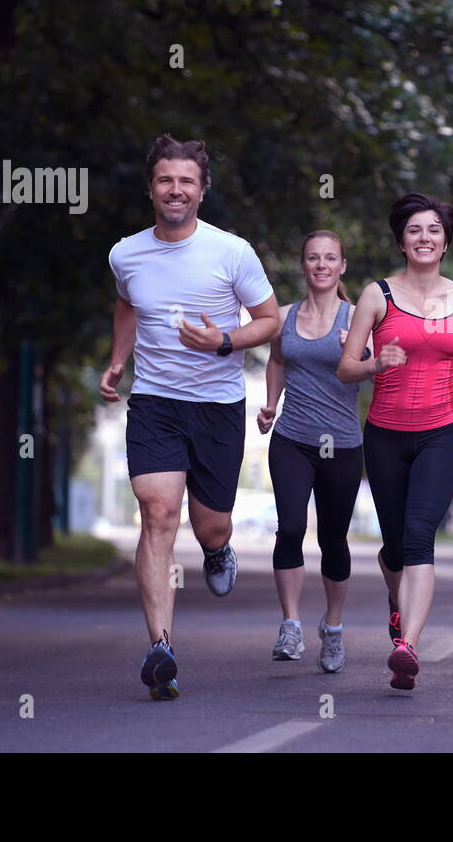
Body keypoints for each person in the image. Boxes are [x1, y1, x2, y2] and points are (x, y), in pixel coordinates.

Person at [102, 134, 280, 701]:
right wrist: (117, 362)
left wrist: (224, 341)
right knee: (158, 513)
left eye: (185, 181)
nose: (174, 190)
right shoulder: (125, 254)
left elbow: (271, 320)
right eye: (164, 180)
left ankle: (216, 549)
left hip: (218, 406)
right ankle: (162, 648)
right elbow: (127, 302)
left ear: (202, 190)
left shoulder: (232, 251)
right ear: (150, 187)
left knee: (211, 525)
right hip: (155, 403)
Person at [337, 193, 453, 691]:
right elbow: (347, 366)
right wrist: (376, 363)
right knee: (395, 544)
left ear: (445, 241)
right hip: (385, 434)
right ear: (401, 241)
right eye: (415, 230)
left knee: (420, 536)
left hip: (440, 433)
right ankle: (399, 606)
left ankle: (408, 645)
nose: (424, 238)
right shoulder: (378, 296)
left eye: (433, 230)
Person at [256, 230, 370, 673]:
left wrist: (356, 352)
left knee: (333, 540)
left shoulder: (359, 317)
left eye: (330, 259)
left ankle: (334, 627)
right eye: (312, 258)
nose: (321, 265)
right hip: (292, 439)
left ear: (342, 266)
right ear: (303, 265)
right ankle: (290, 624)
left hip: (342, 444)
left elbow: (379, 374)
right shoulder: (283, 316)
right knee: (289, 527)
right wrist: (270, 403)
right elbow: (278, 361)